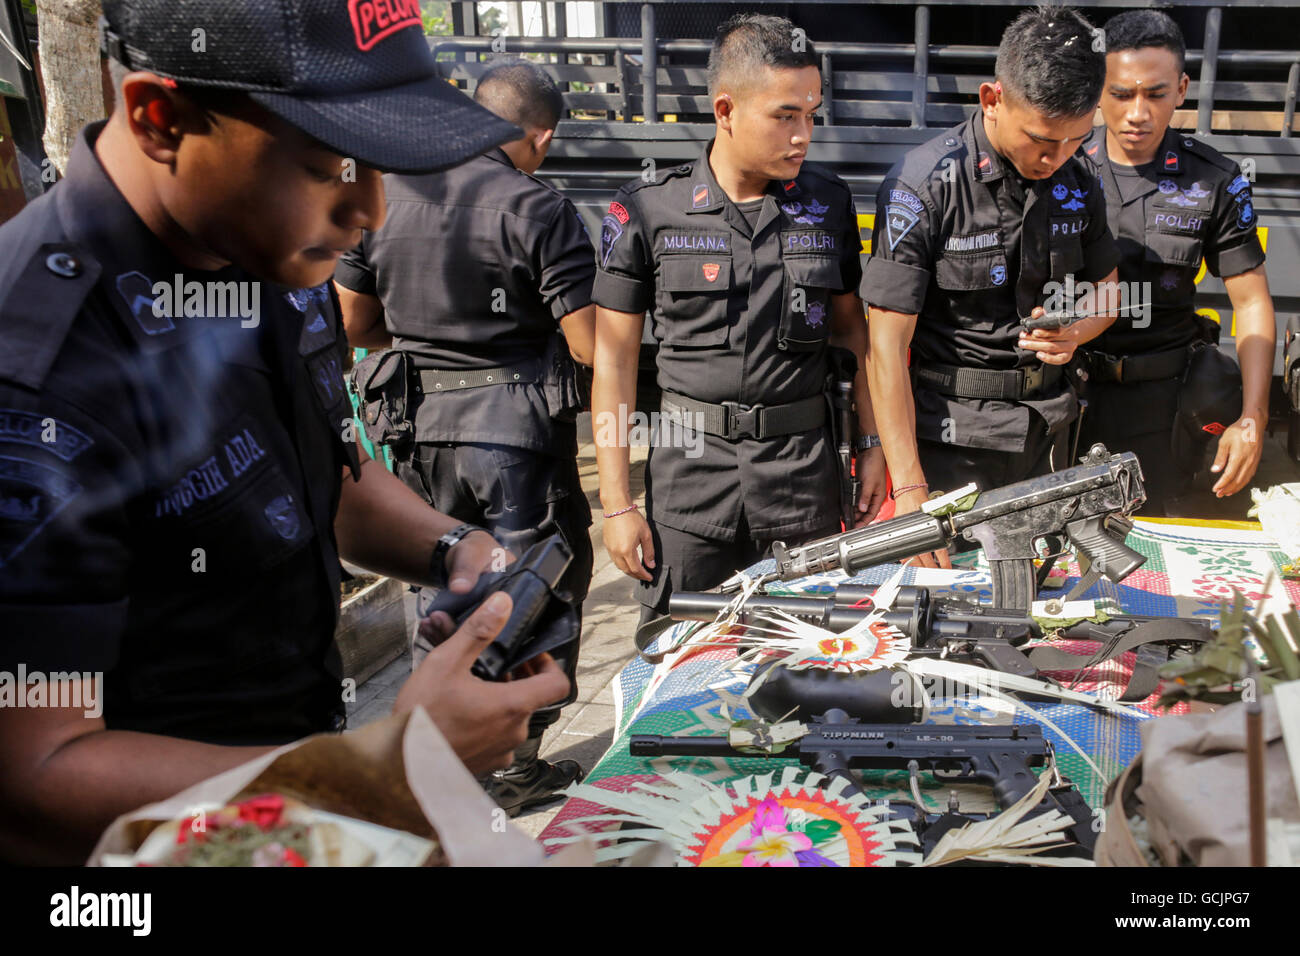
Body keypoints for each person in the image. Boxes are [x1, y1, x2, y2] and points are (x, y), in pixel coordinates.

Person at [0, 0, 569, 864]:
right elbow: (36, 774)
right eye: (327, 165)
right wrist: (379, 771)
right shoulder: (36, 364)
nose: (370, 210)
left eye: (378, 167)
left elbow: (326, 479)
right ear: (162, 118)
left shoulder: (265, 250)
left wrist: (458, 553)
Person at [333, 59, 596, 816]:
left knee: (437, 583)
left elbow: (352, 324)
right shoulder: (539, 208)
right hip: (512, 437)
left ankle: (442, 766)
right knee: (527, 591)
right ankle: (510, 769)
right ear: (537, 135)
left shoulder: (389, 193)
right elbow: (584, 342)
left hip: (415, 435)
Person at [592, 13, 887, 625]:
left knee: (801, 667)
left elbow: (855, 337)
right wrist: (618, 503)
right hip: (689, 483)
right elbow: (614, 361)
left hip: (801, 482)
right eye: (785, 116)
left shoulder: (828, 203)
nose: (804, 134)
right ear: (725, 110)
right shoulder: (649, 210)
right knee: (678, 662)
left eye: (812, 114)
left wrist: (871, 445)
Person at [862, 6, 1121, 569]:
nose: (1055, 159)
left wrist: (1077, 331)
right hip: (952, 447)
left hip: (1049, 434)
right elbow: (882, 347)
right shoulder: (924, 185)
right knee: (950, 625)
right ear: (991, 98)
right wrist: (910, 492)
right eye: (1041, 140)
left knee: (1049, 617)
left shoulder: (1080, 178)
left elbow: (1111, 291)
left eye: (1077, 139)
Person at [1075, 10, 1274, 515]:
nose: (1137, 112)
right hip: (1063, 397)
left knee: (1148, 558)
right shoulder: (1061, 168)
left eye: (1155, 94)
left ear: (1182, 89)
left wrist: (1253, 416)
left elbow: (1250, 303)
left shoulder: (1213, 180)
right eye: (1121, 94)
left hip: (1160, 406)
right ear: (1099, 91)